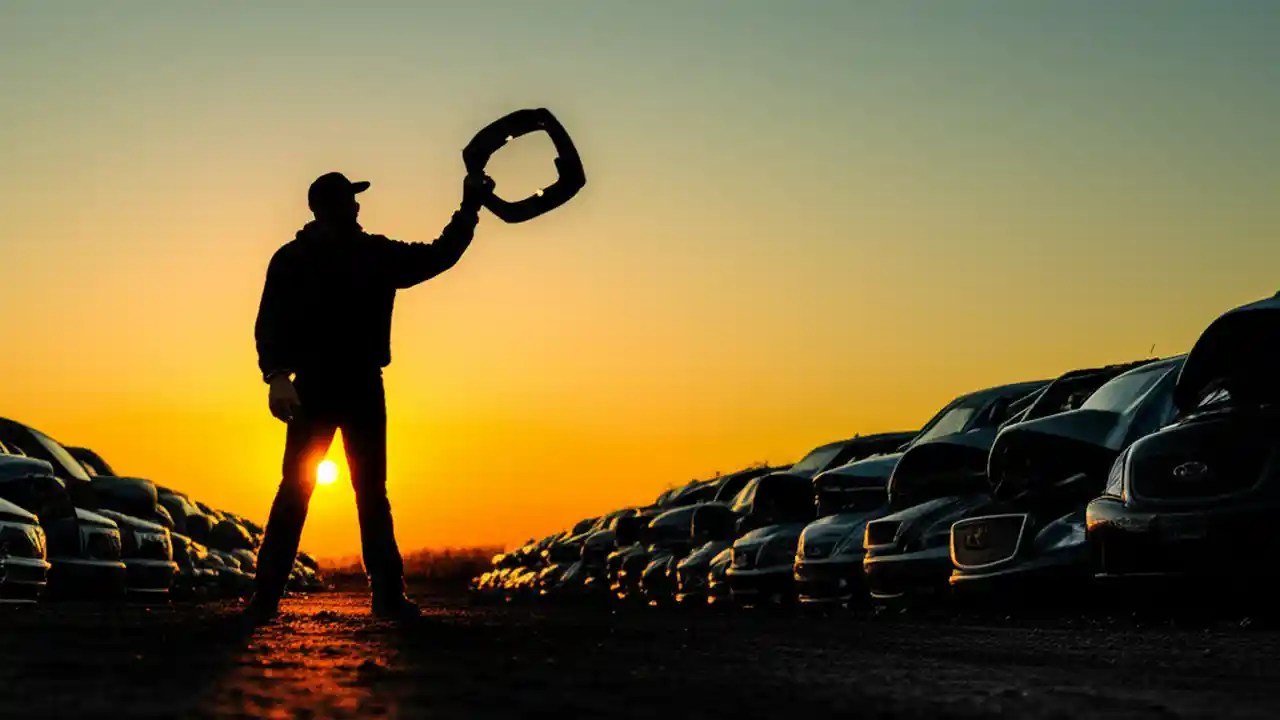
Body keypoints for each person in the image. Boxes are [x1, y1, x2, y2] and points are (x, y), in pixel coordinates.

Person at [247, 169, 494, 621]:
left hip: (346, 384)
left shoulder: (360, 254)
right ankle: (271, 597)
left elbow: (438, 256)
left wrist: (470, 209)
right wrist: (276, 376)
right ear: (333, 206)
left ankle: (379, 596)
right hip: (326, 385)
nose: (359, 207)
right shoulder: (308, 258)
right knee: (312, 491)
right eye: (351, 200)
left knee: (357, 491)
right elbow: (270, 324)